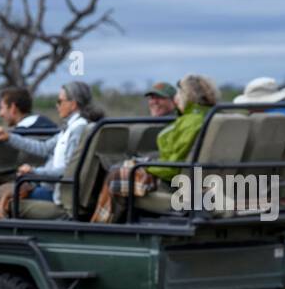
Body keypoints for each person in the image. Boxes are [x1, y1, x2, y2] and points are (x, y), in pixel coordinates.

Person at [91, 73, 218, 223]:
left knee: (117, 175)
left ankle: (100, 225)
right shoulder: (210, 116)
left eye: (179, 94)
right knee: (123, 170)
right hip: (194, 181)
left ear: (187, 95)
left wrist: (143, 165)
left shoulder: (190, 122)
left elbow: (169, 168)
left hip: (174, 183)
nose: (177, 98)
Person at [0, 80, 103, 218]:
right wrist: (10, 137)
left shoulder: (78, 130)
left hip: (56, 192)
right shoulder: (71, 127)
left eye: (60, 101)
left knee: (2, 191)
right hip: (53, 186)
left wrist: (34, 172)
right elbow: (43, 148)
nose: (56, 105)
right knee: (7, 190)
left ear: (73, 104)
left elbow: (67, 170)